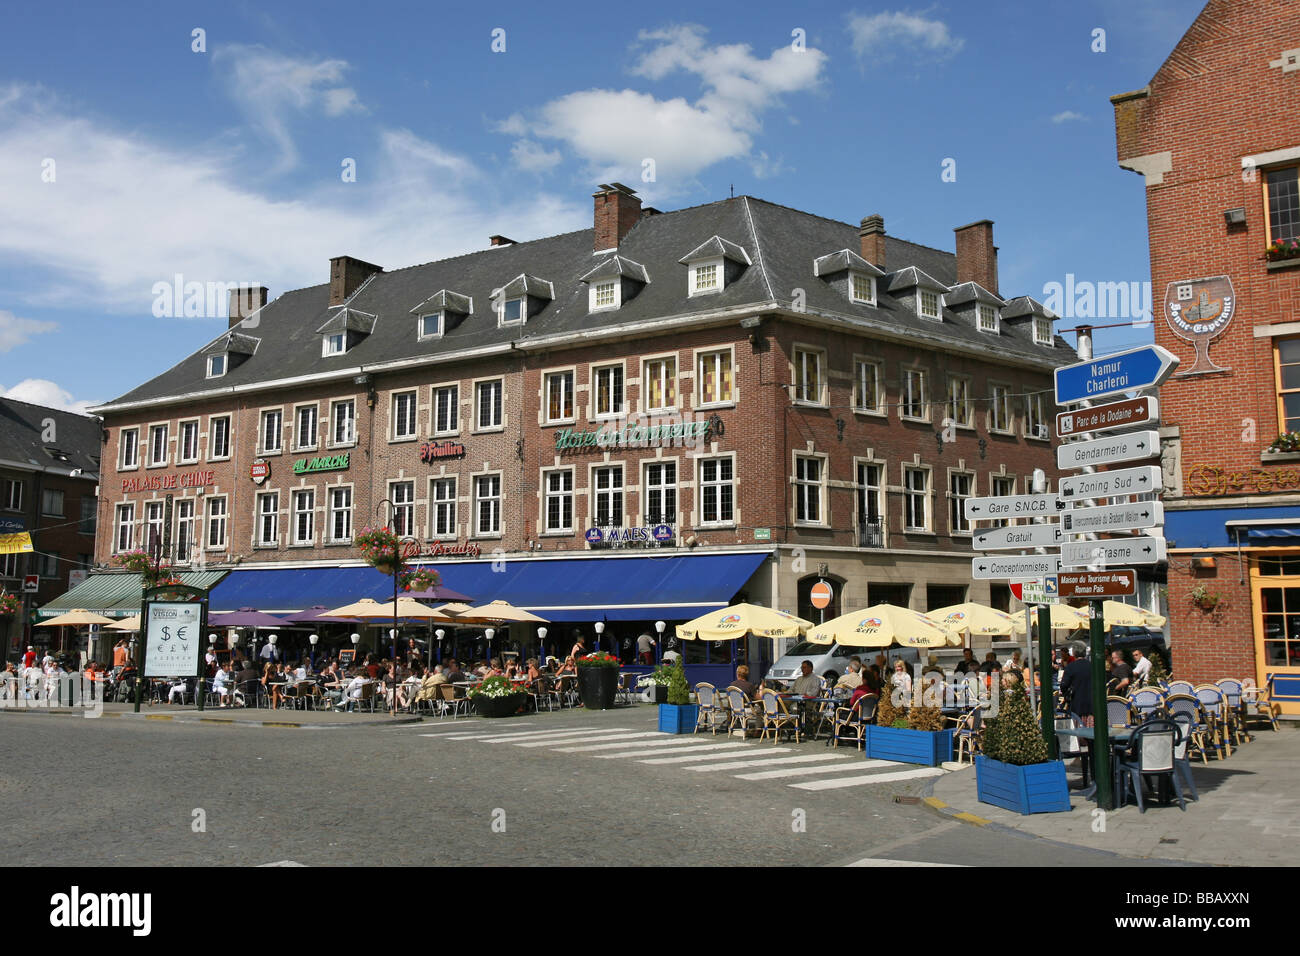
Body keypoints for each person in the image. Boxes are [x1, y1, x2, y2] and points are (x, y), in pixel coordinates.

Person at [1060, 653, 1094, 727]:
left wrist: (1066, 695)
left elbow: (1064, 685)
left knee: (1077, 730)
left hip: (1077, 704)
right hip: (1092, 704)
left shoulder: (1071, 667)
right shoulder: (1093, 665)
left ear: (1074, 653)